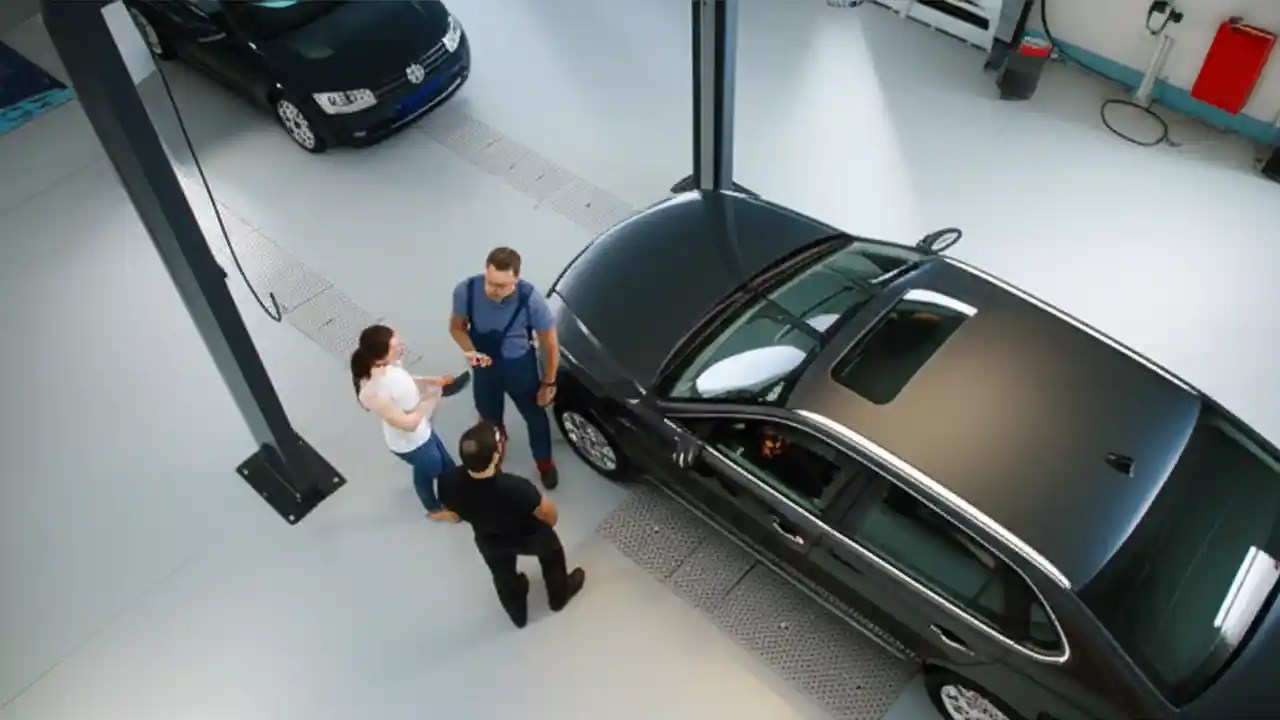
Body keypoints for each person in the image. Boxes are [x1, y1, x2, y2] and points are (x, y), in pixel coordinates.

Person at [437, 420, 586, 628]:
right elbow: (548, 515)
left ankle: (517, 615)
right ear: (496, 456)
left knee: (502, 575)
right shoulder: (517, 487)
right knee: (552, 558)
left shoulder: (447, 482)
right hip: (530, 536)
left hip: (489, 539)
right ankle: (558, 597)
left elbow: (455, 514)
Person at [448, 247, 561, 489]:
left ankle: (544, 463)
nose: (492, 290)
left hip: (519, 368)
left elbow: (549, 343)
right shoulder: (466, 291)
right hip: (485, 369)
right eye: (490, 282)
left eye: (501, 285)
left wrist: (548, 382)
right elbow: (456, 328)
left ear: (515, 280)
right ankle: (495, 455)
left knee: (535, 417)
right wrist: (471, 351)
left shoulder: (530, 300)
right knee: (488, 420)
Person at [351, 324, 467, 523]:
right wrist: (432, 398)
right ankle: (439, 507)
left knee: (436, 467)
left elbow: (407, 380)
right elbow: (407, 424)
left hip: (423, 433)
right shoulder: (372, 393)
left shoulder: (389, 365)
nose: (401, 344)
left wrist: (433, 382)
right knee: (441, 471)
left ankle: (439, 501)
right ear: (382, 354)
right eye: (395, 344)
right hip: (411, 443)